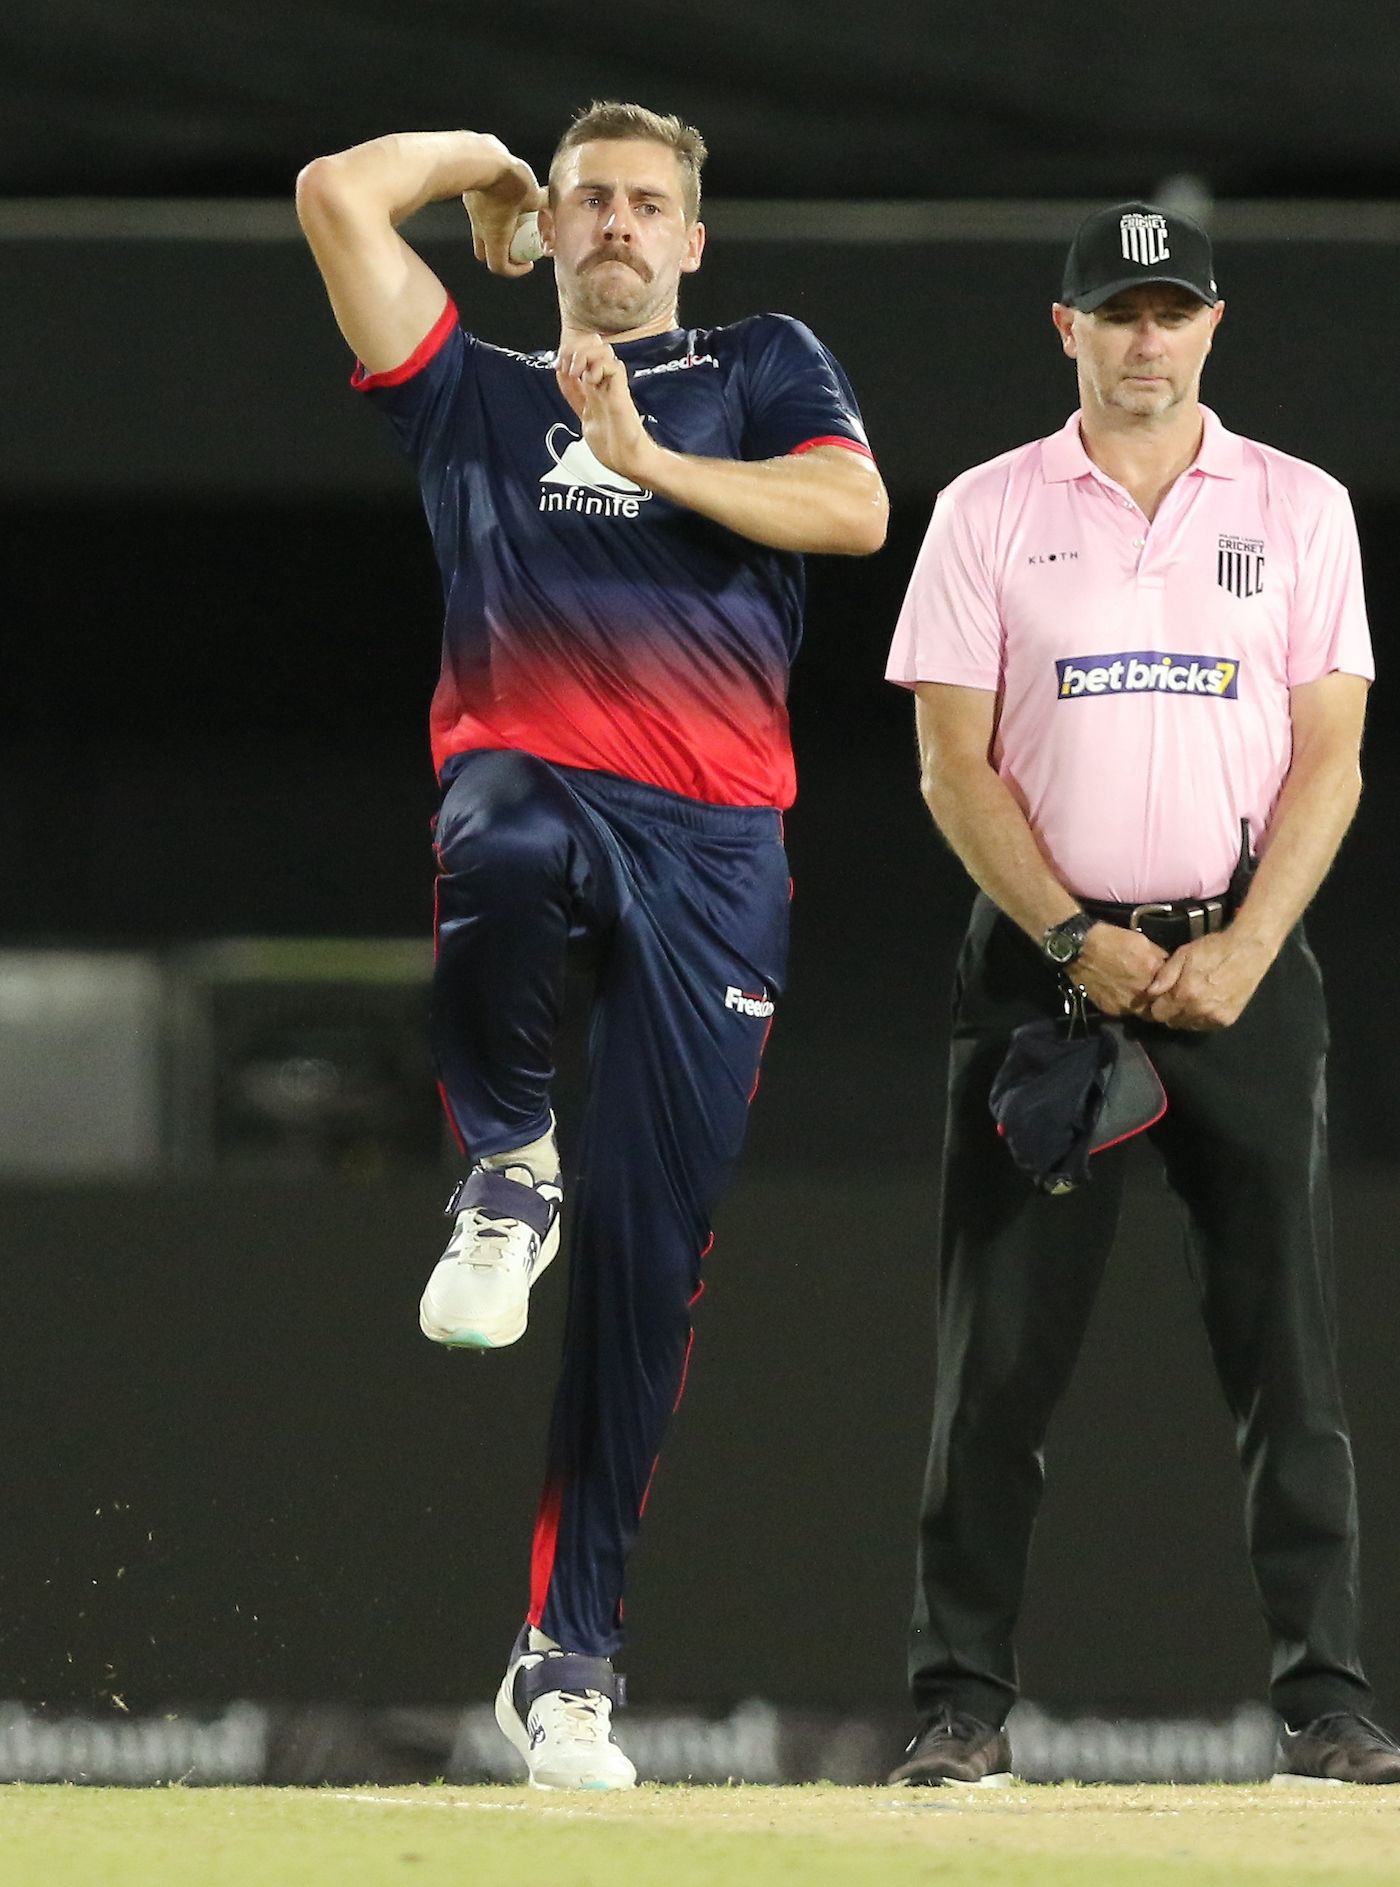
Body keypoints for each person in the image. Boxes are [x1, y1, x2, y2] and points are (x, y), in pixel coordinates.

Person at [295, 100, 887, 1790]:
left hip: (718, 855)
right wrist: (483, 160)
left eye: (647, 204)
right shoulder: (471, 395)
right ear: (549, 232)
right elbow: (336, 194)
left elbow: (852, 514)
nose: (618, 224)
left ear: (691, 240)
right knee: (496, 816)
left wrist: (652, 464)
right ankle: (506, 1165)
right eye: (588, 201)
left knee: (646, 1265)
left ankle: (567, 1666)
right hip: (543, 788)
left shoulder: (759, 364)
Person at [884, 200, 1400, 1788]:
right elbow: (951, 763)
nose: (1146, 340)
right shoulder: (988, 509)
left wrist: (1244, 947)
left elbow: (1332, 756)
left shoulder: (1299, 507)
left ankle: (1327, 1703)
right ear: (1068, 330)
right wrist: (1065, 935)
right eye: (1117, 312)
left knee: (1288, 1356)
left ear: (1213, 326)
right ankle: (960, 1708)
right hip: (1046, 982)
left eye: (1172, 311)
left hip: (1241, 970)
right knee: (998, 1363)